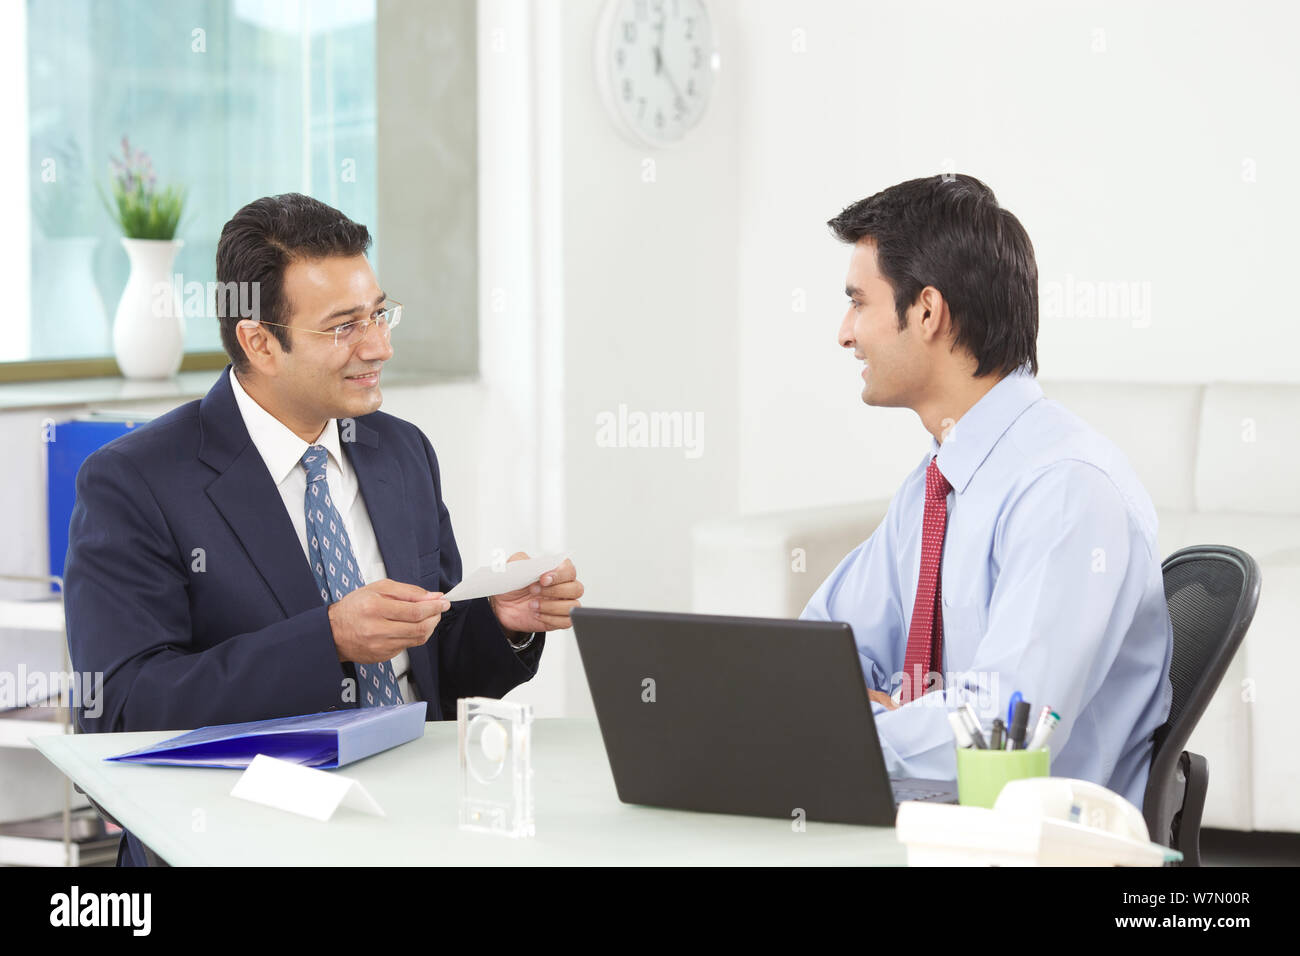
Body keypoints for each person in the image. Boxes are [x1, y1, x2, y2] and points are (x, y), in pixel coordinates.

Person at [64, 193, 583, 865]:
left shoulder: (400, 452)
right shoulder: (135, 482)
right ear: (258, 341)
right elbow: (121, 716)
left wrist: (498, 621)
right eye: (344, 327)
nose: (380, 346)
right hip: (237, 840)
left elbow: (434, 673)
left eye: (378, 314)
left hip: (412, 825)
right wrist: (329, 639)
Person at [801, 174, 1172, 808]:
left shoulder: (1068, 491)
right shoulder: (935, 487)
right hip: (931, 826)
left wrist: (856, 727)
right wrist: (854, 712)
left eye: (858, 302)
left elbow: (1005, 733)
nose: (844, 332)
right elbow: (815, 656)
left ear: (926, 311)